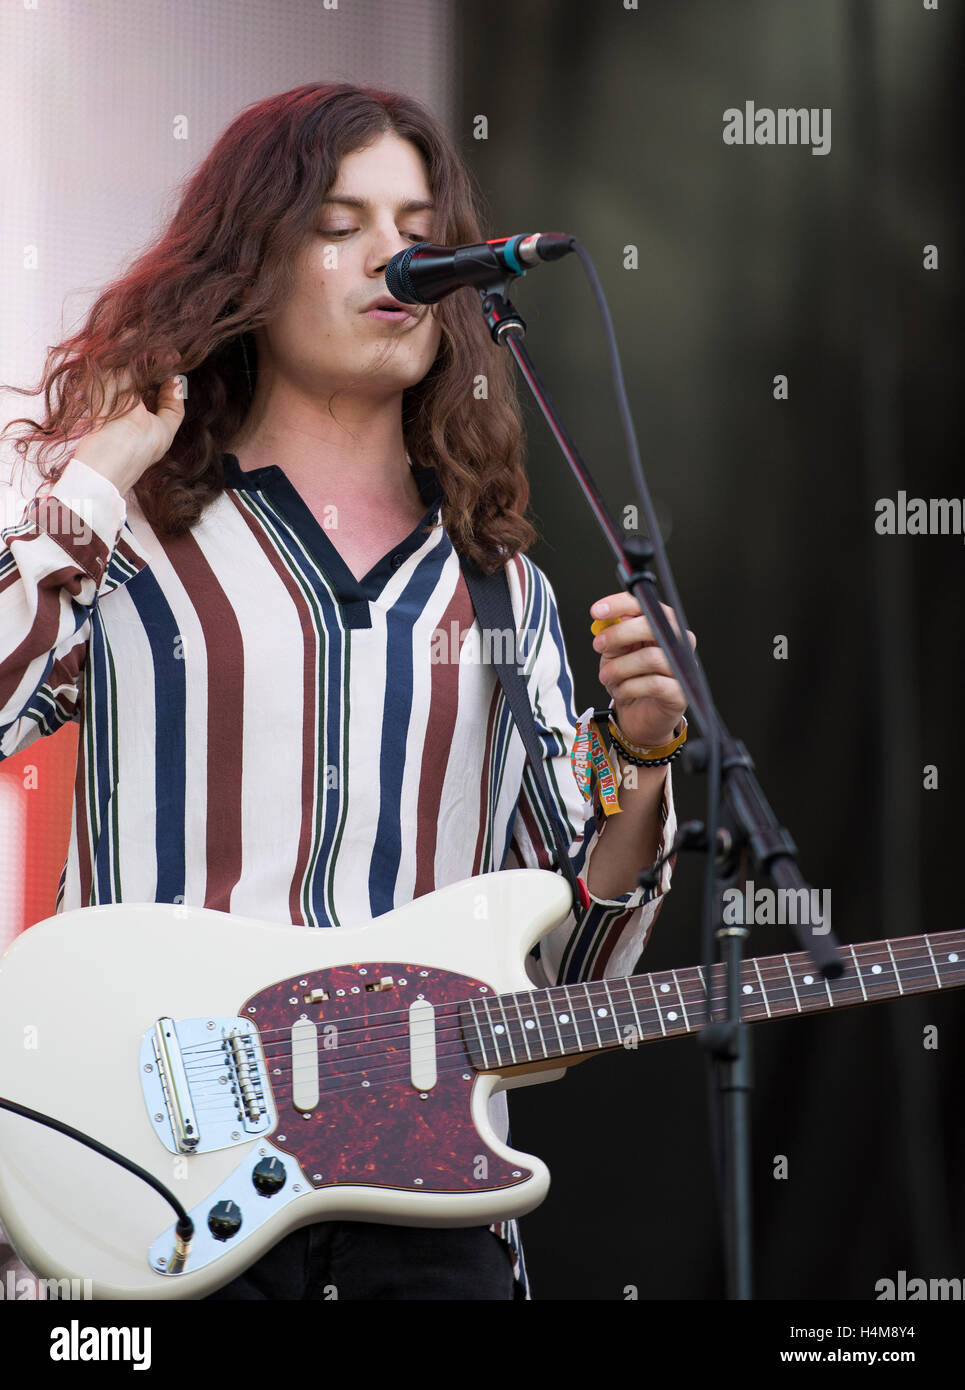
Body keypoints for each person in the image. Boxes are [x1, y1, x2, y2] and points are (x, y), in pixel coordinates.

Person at [0, 82, 693, 1300]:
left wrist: (637, 762)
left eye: (419, 228)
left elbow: (575, 978)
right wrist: (102, 466)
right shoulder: (132, 536)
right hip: (142, 1182)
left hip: (415, 1207)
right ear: (247, 264)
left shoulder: (503, 594)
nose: (395, 258)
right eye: (339, 224)